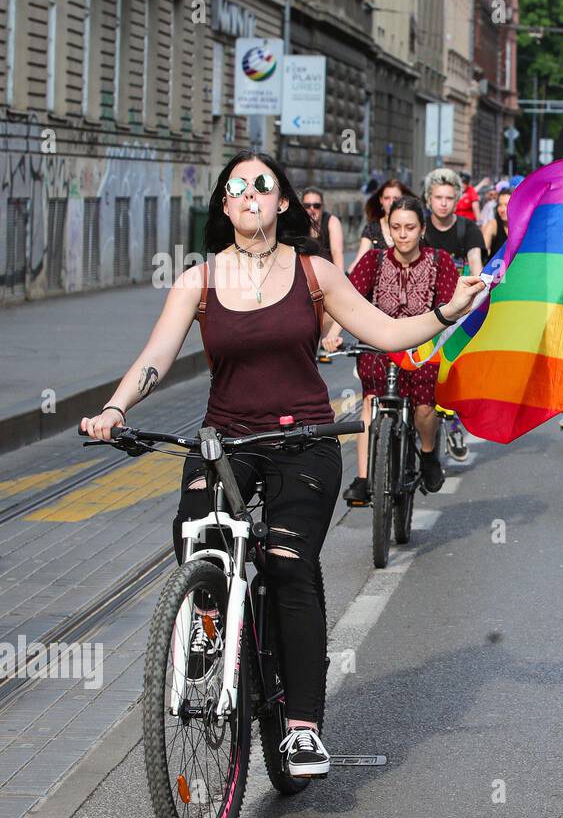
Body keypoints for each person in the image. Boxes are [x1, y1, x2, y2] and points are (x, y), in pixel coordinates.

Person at [80, 151, 482, 777]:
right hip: (225, 443)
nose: (248, 196)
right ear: (224, 205)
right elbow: (153, 358)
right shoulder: (200, 280)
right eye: (235, 189)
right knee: (199, 541)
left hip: (305, 442)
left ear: (282, 202)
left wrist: (446, 312)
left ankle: (300, 726)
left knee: (291, 562)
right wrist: (114, 408)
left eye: (261, 187)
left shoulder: (315, 273)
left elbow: (385, 332)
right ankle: (207, 644)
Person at [324, 195, 461, 503]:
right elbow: (347, 301)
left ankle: (427, 454)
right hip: (379, 349)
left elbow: (453, 308)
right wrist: (333, 333)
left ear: (422, 229)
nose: (403, 234)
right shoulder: (374, 261)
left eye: (410, 227)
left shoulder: (439, 261)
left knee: (425, 408)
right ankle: (365, 475)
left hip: (423, 351)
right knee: (371, 399)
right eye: (396, 227)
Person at [422, 168, 486, 276]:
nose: (443, 203)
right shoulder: (419, 228)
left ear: (456, 200)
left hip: (461, 290)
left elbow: (476, 267)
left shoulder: (469, 229)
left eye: (449, 198)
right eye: (438, 197)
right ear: (429, 199)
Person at [350, 178, 416, 270]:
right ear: (381, 200)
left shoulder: (414, 226)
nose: (391, 202)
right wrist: (345, 278)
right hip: (380, 281)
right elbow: (360, 259)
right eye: (387, 198)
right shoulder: (372, 228)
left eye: (396, 198)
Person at [302, 187, 344, 269]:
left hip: (327, 272)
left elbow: (337, 252)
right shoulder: (297, 222)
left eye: (316, 206)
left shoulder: (332, 222)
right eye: (307, 206)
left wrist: (340, 279)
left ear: (322, 207)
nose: (312, 209)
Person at [480, 187, 511, 260]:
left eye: (507, 205)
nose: (502, 209)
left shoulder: (525, 228)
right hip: (495, 269)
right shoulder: (493, 225)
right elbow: (483, 252)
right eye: (500, 205)